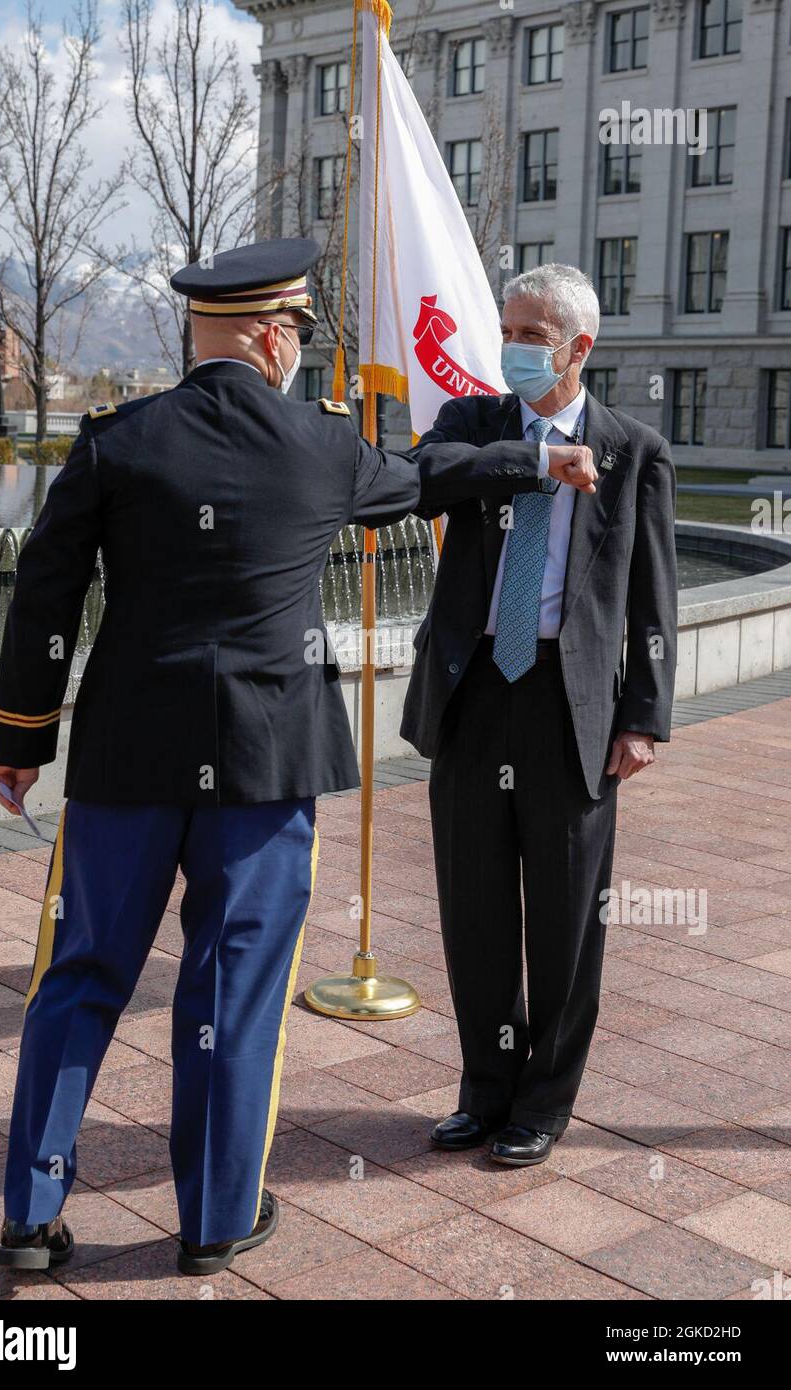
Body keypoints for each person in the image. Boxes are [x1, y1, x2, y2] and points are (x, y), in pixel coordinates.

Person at [0, 237, 596, 1274]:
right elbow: (426, 478)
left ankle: (29, 1220)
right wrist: (535, 458)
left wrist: (22, 740)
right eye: (298, 336)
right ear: (275, 337)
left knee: (81, 977)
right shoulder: (320, 448)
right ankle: (216, 1222)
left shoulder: (115, 440)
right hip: (266, 773)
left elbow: (46, 591)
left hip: (126, 766)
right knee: (233, 994)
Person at [403, 262, 677, 1166]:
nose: (513, 347)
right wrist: (533, 461)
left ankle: (543, 1105)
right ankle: (485, 1092)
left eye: (531, 335)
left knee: (564, 916)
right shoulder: (474, 423)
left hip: (574, 704)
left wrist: (644, 717)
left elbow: (653, 601)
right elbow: (419, 481)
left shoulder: (633, 449)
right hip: (476, 690)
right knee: (475, 910)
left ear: (579, 347)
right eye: (507, 330)